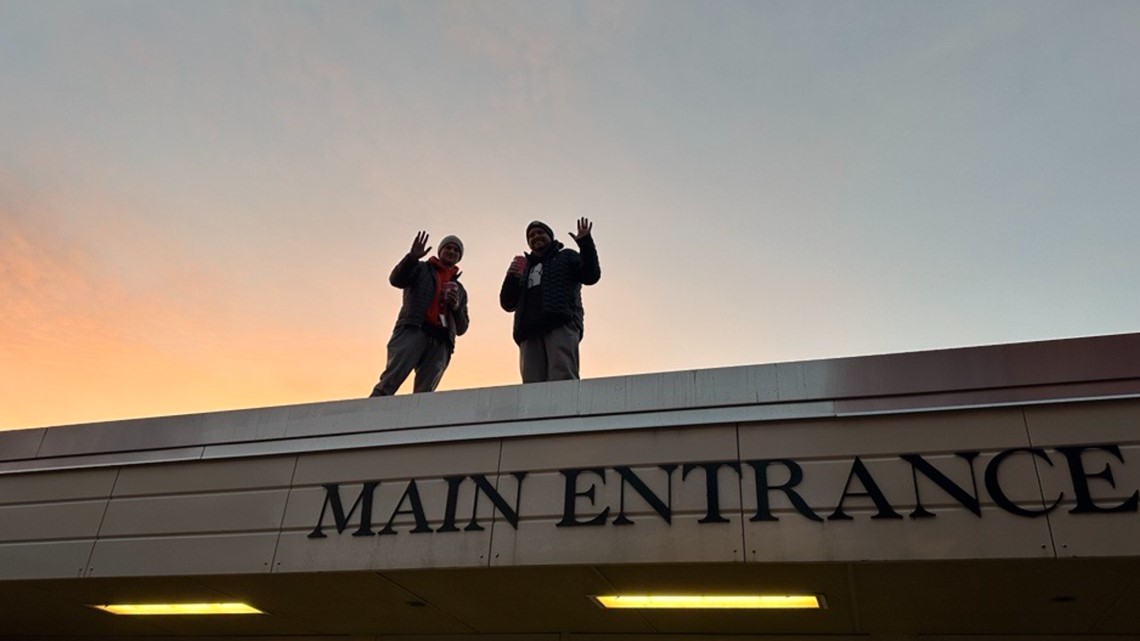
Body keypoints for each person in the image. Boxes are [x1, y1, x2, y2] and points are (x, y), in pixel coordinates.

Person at [500, 218, 600, 383]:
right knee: (532, 383)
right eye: (531, 235)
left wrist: (585, 244)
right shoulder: (524, 268)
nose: (536, 236)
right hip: (528, 330)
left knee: (562, 376)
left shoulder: (566, 256)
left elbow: (591, 276)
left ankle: (566, 409)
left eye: (540, 233)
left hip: (560, 322)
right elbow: (508, 303)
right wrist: (511, 278)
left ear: (550, 236)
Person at [369, 231, 469, 397]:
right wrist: (411, 258)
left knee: (425, 394)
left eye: (456, 250)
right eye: (448, 248)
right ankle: (369, 415)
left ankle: (418, 421)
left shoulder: (460, 289)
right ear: (440, 251)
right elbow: (396, 280)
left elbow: (462, 327)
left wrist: (456, 306)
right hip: (414, 330)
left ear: (459, 257)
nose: (452, 252)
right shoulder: (421, 268)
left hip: (441, 341)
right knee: (391, 379)